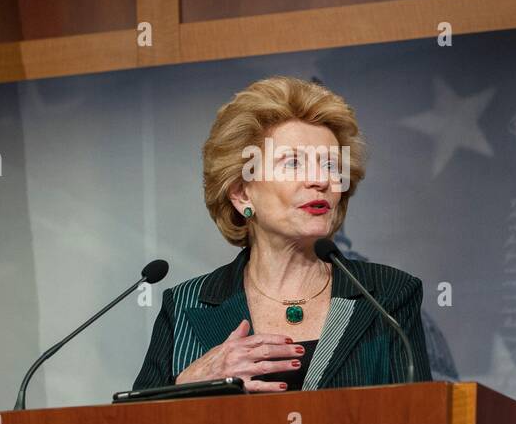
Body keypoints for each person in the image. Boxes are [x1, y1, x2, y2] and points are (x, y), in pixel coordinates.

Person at [133, 76, 431, 392]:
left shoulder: (388, 296)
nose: (320, 180)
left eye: (331, 165)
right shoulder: (184, 305)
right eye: (293, 163)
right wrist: (188, 385)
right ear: (241, 194)